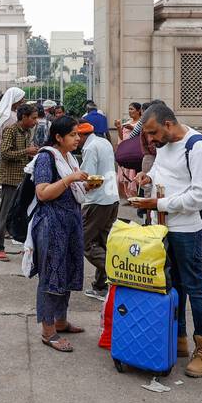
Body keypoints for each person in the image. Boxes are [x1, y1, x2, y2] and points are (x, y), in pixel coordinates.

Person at [133, 101, 202, 378]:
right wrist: (147, 178)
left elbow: (201, 196)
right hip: (162, 228)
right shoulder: (165, 146)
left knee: (195, 286)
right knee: (172, 284)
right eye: (147, 134)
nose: (150, 139)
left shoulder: (198, 147)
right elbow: (161, 173)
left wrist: (157, 204)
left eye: (153, 133)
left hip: (187, 229)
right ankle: (178, 337)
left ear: (168, 125)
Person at [28, 115, 88, 352]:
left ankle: (61, 320)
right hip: (52, 224)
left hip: (70, 222)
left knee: (67, 270)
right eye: (73, 135)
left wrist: (84, 183)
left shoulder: (69, 157)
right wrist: (70, 179)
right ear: (58, 137)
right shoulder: (46, 158)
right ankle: (48, 330)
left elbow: (72, 188)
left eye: (78, 134)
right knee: (51, 276)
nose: (78, 138)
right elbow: (42, 193)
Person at [77, 119, 119, 299]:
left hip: (97, 201)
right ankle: (101, 286)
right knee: (103, 242)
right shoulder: (104, 142)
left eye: (75, 136)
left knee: (85, 243)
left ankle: (115, 274)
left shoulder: (90, 147)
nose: (74, 140)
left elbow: (88, 177)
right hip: (112, 198)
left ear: (81, 135)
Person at [0, 103, 38, 261]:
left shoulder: (27, 132)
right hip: (10, 178)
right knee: (5, 214)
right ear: (24, 117)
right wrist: (27, 151)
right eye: (33, 118)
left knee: (22, 213)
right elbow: (5, 153)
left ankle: (23, 243)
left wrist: (33, 155)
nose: (35, 121)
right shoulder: (11, 130)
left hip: (22, 177)